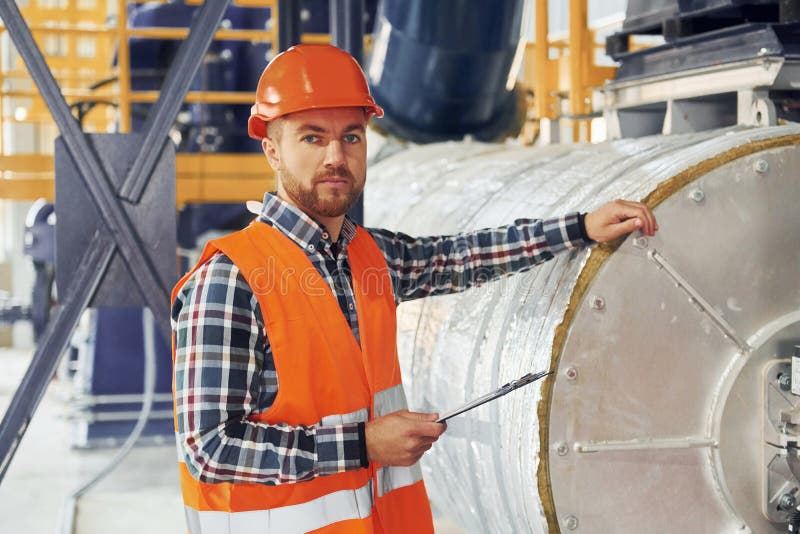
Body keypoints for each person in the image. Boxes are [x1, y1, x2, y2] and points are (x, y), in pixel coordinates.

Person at [171, 44, 658, 533]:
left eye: (351, 137)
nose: (336, 157)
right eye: (312, 138)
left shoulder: (366, 256)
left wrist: (579, 228)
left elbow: (462, 256)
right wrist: (364, 444)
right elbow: (209, 449)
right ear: (273, 150)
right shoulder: (231, 279)